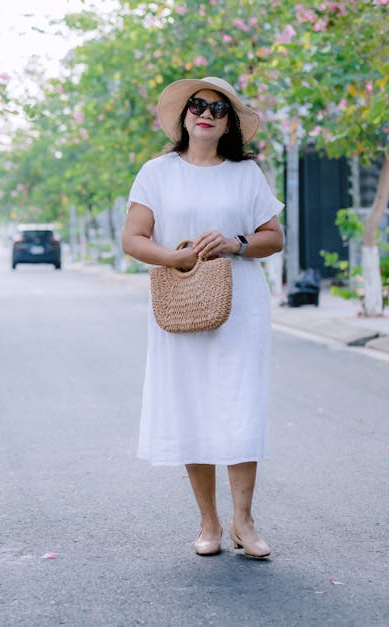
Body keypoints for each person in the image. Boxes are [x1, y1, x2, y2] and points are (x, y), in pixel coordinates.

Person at [121, 77, 284, 558]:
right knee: (191, 404)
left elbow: (273, 238)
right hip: (183, 302)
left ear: (229, 121)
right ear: (184, 116)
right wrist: (176, 258)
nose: (205, 112)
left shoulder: (246, 174)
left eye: (217, 107)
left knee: (241, 405)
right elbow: (134, 238)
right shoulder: (156, 172)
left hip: (243, 307)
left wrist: (236, 243)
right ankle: (208, 522)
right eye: (196, 105)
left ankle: (244, 522)